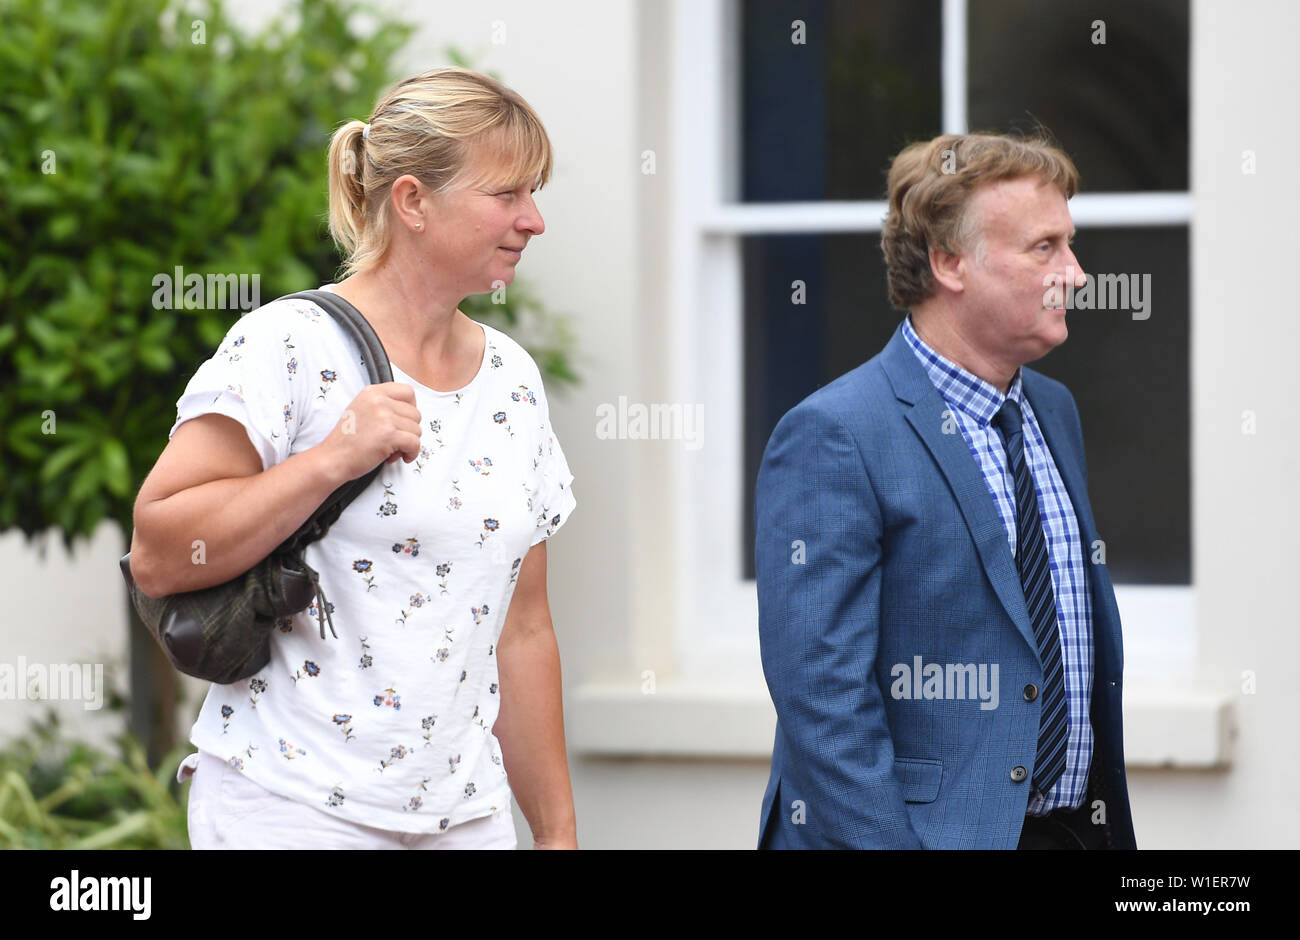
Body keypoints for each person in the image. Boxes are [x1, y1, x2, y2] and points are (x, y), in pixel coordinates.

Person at [129, 67, 578, 850]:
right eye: (506, 195)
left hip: (466, 817)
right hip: (291, 805)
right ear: (412, 203)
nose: (533, 220)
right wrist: (333, 457)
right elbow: (159, 551)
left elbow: (525, 630)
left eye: (533, 193)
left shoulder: (513, 380)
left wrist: (558, 834)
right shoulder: (288, 346)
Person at [754, 132, 1136, 850]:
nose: (1076, 274)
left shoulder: (1053, 410)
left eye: (1070, 244)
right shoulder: (833, 434)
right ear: (949, 262)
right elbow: (824, 706)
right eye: (1044, 248)